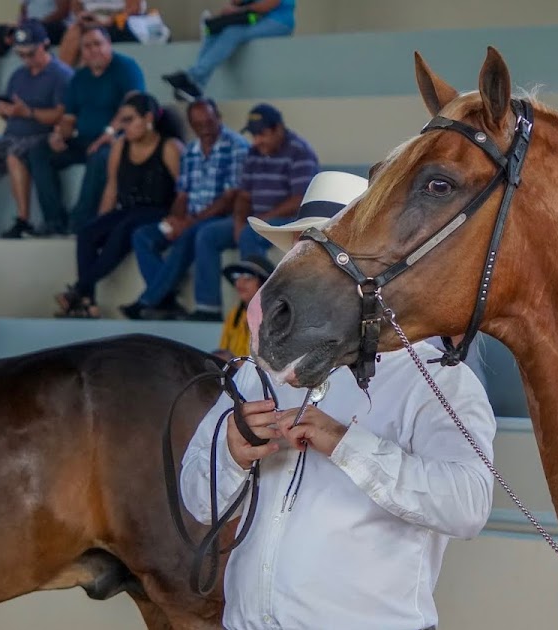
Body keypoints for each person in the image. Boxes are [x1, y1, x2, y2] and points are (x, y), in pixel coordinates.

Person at [180, 172, 496, 630]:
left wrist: (345, 444)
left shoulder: (435, 379)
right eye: (301, 249)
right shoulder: (254, 371)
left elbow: (468, 506)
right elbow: (198, 502)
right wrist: (231, 452)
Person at [55, 92, 181, 318]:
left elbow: (184, 191)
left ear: (148, 118)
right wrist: (102, 222)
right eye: (122, 120)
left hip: (160, 210)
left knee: (125, 228)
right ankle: (87, 301)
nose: (123, 126)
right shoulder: (120, 146)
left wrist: (176, 219)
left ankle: (78, 289)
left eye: (129, 120)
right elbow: (111, 188)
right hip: (131, 210)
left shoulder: (170, 147)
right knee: (87, 233)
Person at [188, 102, 317, 321]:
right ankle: (208, 307)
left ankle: (258, 306)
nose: (257, 141)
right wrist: (239, 220)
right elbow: (244, 195)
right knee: (207, 234)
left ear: (278, 129)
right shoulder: (254, 152)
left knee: (250, 234)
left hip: (288, 221)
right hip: (256, 219)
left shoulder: (300, 152)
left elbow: (300, 200)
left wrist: (260, 221)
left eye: (262, 135)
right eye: (254, 135)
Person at [123, 98, 250, 319]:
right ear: (191, 125)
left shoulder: (236, 146)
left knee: (194, 234)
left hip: (221, 218)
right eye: (198, 125)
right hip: (191, 218)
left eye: (209, 122)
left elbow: (230, 198)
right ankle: (166, 301)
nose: (205, 129)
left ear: (218, 118)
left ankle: (150, 299)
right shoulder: (191, 150)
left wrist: (189, 223)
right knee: (143, 236)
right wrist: (175, 219)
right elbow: (182, 194)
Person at [28, 23, 143, 235]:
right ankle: (54, 220)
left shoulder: (126, 67)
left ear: (108, 44)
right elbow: (69, 118)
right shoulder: (79, 78)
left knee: (100, 155)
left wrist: (108, 133)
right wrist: (58, 135)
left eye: (97, 44)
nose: (93, 50)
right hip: (85, 140)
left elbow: (133, 107)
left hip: (117, 141)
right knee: (39, 152)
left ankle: (80, 222)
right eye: (87, 46)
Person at [0, 19, 72, 239]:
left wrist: (28, 113)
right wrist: (4, 110)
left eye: (31, 53)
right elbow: (9, 108)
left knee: (15, 153)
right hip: (11, 134)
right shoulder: (18, 75)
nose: (26, 59)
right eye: (21, 54)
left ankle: (23, 221)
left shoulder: (61, 74)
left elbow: (62, 114)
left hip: (40, 136)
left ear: (44, 45)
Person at [161, 0, 295, 102]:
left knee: (233, 32)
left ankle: (192, 76)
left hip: (278, 21)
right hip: (254, 18)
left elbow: (269, 4)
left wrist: (240, 10)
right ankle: (196, 86)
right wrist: (232, 9)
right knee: (213, 30)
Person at [0, 1, 71, 81]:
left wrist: (35, 25)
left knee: (24, 32)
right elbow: (23, 13)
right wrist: (17, 26)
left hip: (53, 25)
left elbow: (62, 12)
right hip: (30, 26)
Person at [213, 255, 273, 360]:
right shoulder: (233, 315)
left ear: (263, 283)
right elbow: (222, 354)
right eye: (236, 276)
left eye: (247, 277)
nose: (239, 283)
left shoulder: (273, 316)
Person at [56, 0, 143, 66]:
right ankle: (63, 76)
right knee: (74, 31)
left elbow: (134, 8)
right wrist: (82, 16)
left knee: (87, 35)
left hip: (120, 22)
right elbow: (77, 6)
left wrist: (107, 21)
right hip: (92, 21)